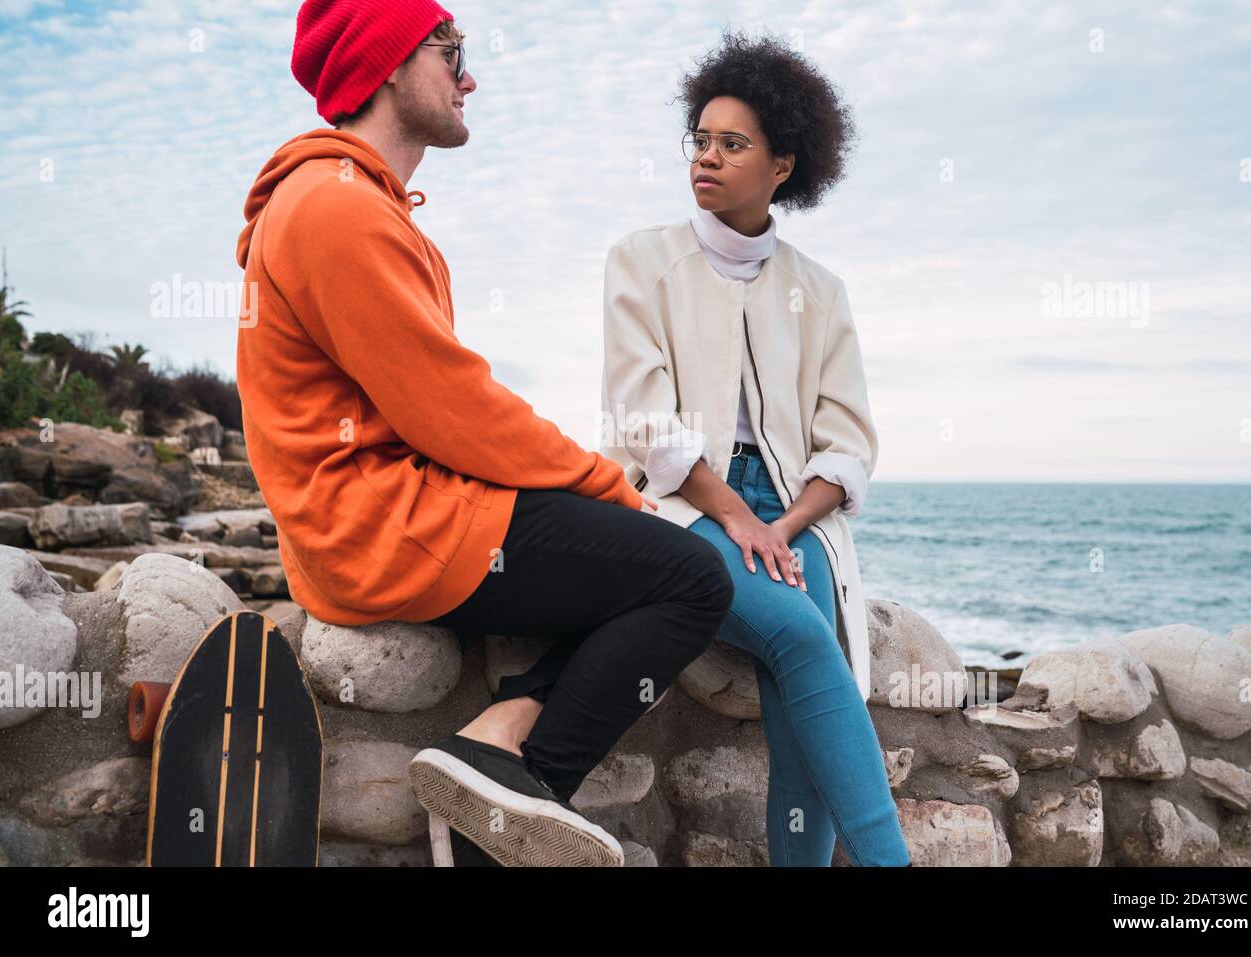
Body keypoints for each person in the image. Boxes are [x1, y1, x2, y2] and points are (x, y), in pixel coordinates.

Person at [235, 0, 733, 867]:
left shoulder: (352, 202)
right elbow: (456, 409)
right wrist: (615, 488)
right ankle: (503, 797)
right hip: (383, 525)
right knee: (688, 575)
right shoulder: (335, 209)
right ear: (387, 63)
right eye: (449, 49)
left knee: (625, 564)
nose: (469, 75)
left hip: (384, 513)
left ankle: (495, 752)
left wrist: (593, 503)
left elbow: (437, 412)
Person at [600, 31, 910, 866]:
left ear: (782, 166)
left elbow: (845, 444)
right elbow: (643, 420)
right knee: (803, 638)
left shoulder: (821, 290)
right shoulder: (641, 261)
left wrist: (785, 523)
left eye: (732, 144)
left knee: (793, 688)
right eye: (699, 139)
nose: (706, 157)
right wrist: (739, 517)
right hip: (681, 505)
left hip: (796, 510)